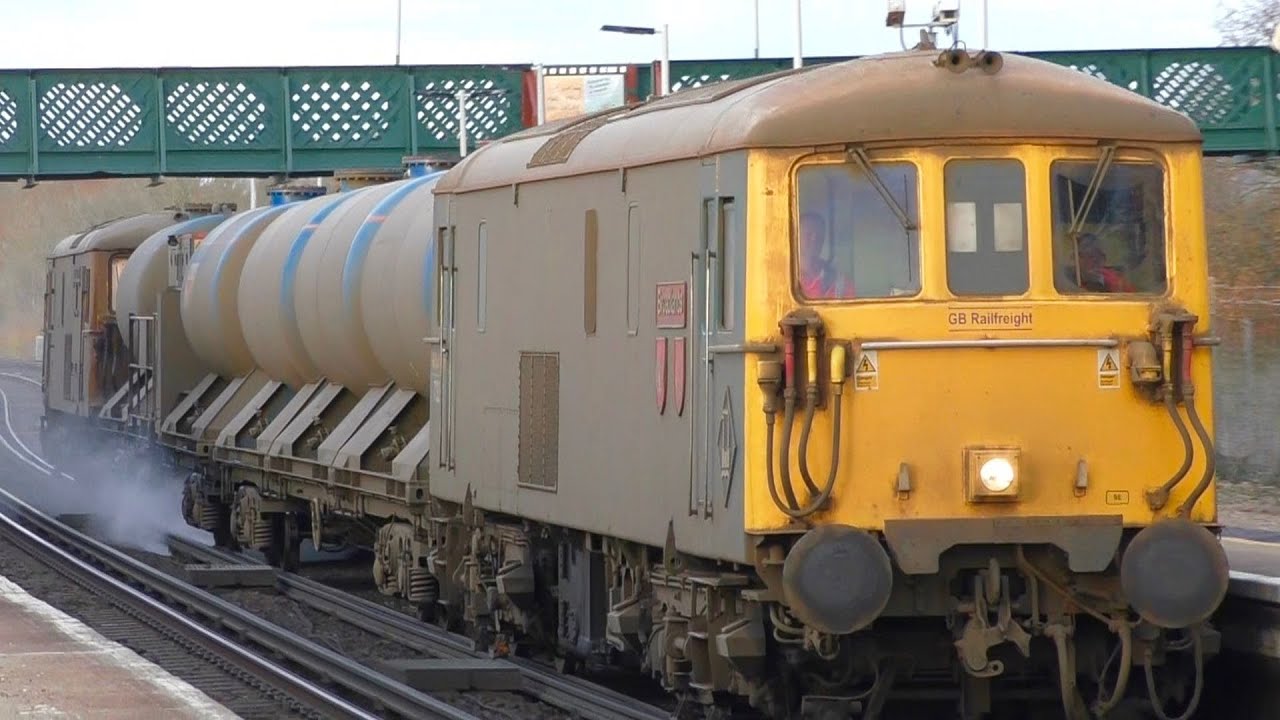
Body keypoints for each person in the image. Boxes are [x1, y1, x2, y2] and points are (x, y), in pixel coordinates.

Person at [797, 211, 855, 299]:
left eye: (819, 235)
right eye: (808, 234)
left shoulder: (840, 282)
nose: (814, 239)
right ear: (796, 236)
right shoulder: (784, 278)